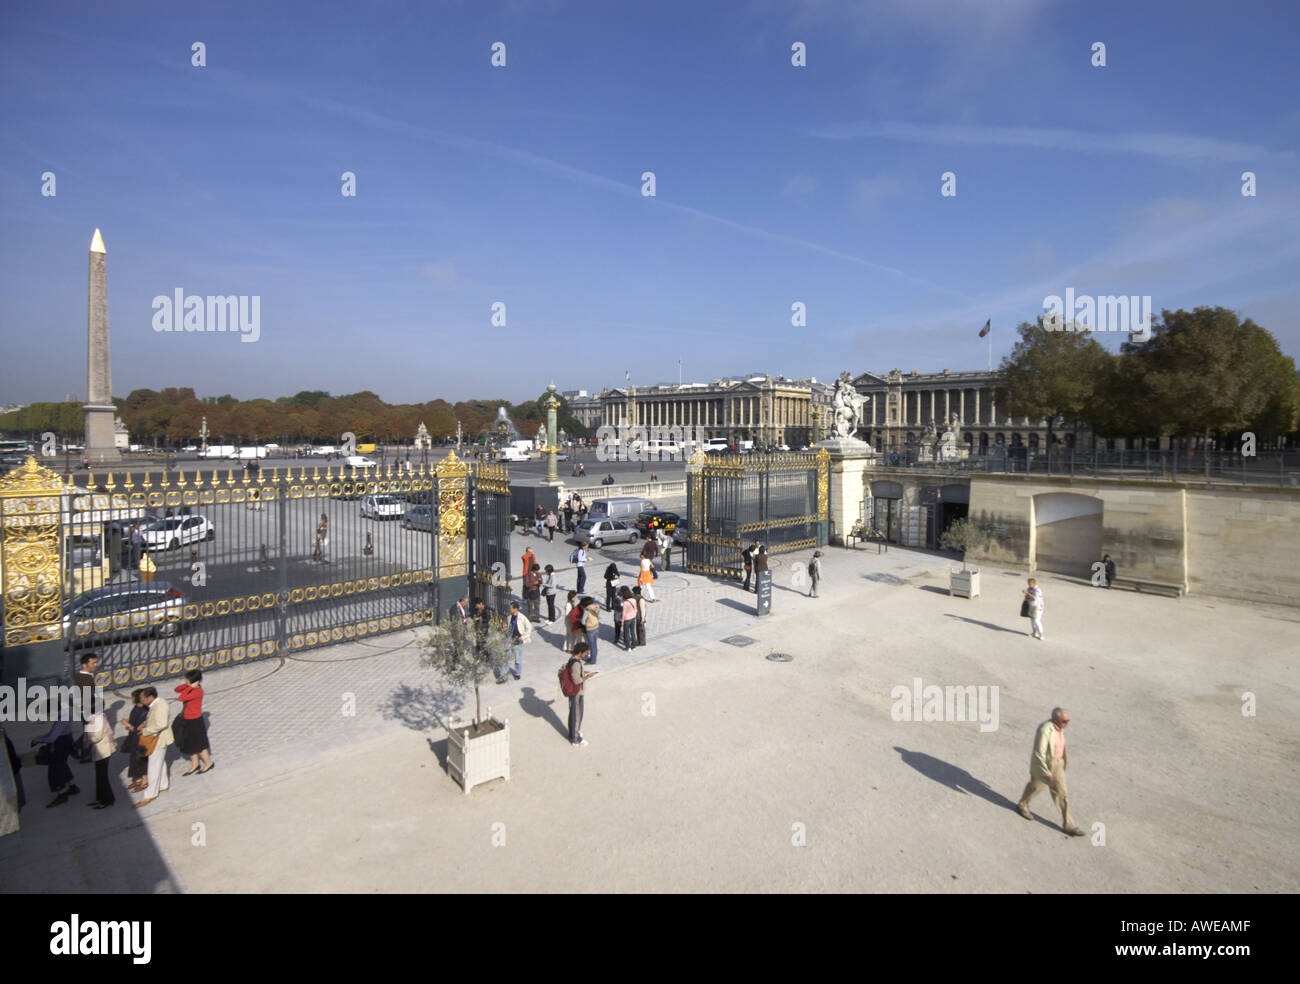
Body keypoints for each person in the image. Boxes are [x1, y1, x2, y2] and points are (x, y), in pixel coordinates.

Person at [1017, 707, 1085, 836]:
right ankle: (1023, 804)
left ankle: (1069, 825)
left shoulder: (1060, 729)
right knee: (1034, 787)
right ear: (1055, 719)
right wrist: (1045, 772)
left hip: (1058, 764)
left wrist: (1061, 764)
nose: (1067, 723)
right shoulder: (1045, 730)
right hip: (1045, 765)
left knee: (1062, 794)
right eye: (1064, 721)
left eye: (1068, 720)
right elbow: (1039, 753)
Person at [136, 687, 173, 808]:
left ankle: (150, 794)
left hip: (157, 739)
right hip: (157, 739)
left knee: (153, 766)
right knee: (160, 763)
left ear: (150, 697)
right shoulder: (156, 704)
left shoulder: (160, 705)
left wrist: (145, 731)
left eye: (143, 698)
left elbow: (162, 724)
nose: (141, 700)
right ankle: (163, 785)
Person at [31, 715, 78, 808]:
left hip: (60, 747)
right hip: (64, 745)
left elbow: (52, 737)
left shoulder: (62, 719)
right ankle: (72, 786)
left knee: (55, 770)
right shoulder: (62, 716)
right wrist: (39, 738)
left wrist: (39, 740)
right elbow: (52, 734)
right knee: (63, 765)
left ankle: (62, 794)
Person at [174, 670, 214, 775]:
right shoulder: (189, 688)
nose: (185, 681)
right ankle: (195, 764)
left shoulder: (198, 691)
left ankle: (208, 763)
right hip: (186, 719)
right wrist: (186, 685)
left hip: (195, 720)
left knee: (198, 744)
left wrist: (190, 687)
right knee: (189, 744)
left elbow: (181, 698)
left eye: (187, 680)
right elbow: (177, 690)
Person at [565, 641, 597, 746]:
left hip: (574, 692)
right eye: (585, 652)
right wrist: (588, 676)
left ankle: (573, 733)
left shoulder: (572, 660)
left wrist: (584, 672)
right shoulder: (576, 663)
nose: (586, 654)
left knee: (574, 713)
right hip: (577, 692)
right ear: (580, 652)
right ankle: (575, 738)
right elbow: (577, 680)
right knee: (577, 715)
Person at [85, 707, 116, 809]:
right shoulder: (94, 719)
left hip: (103, 752)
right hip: (100, 751)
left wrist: (88, 740)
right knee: (99, 776)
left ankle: (106, 800)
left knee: (102, 777)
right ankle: (100, 798)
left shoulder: (97, 720)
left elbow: (96, 737)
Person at [120, 689, 149, 793]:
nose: (131, 699)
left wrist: (127, 724)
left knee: (141, 760)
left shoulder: (144, 711)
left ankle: (144, 781)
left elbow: (138, 729)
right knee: (134, 760)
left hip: (139, 739)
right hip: (133, 738)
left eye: (132, 697)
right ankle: (138, 779)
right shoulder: (137, 708)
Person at [496, 601, 532, 683]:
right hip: (509, 640)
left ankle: (517, 673)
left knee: (518, 659)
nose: (509, 609)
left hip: (517, 641)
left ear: (515, 609)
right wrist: (505, 629)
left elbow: (529, 628)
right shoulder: (509, 617)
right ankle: (503, 676)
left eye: (511, 608)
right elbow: (507, 627)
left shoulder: (522, 617)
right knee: (506, 658)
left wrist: (523, 637)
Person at [581, 596, 601, 665]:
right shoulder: (596, 607)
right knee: (594, 645)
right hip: (596, 627)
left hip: (590, 629)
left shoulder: (587, 610)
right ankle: (593, 658)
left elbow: (583, 621)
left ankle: (592, 661)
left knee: (592, 646)